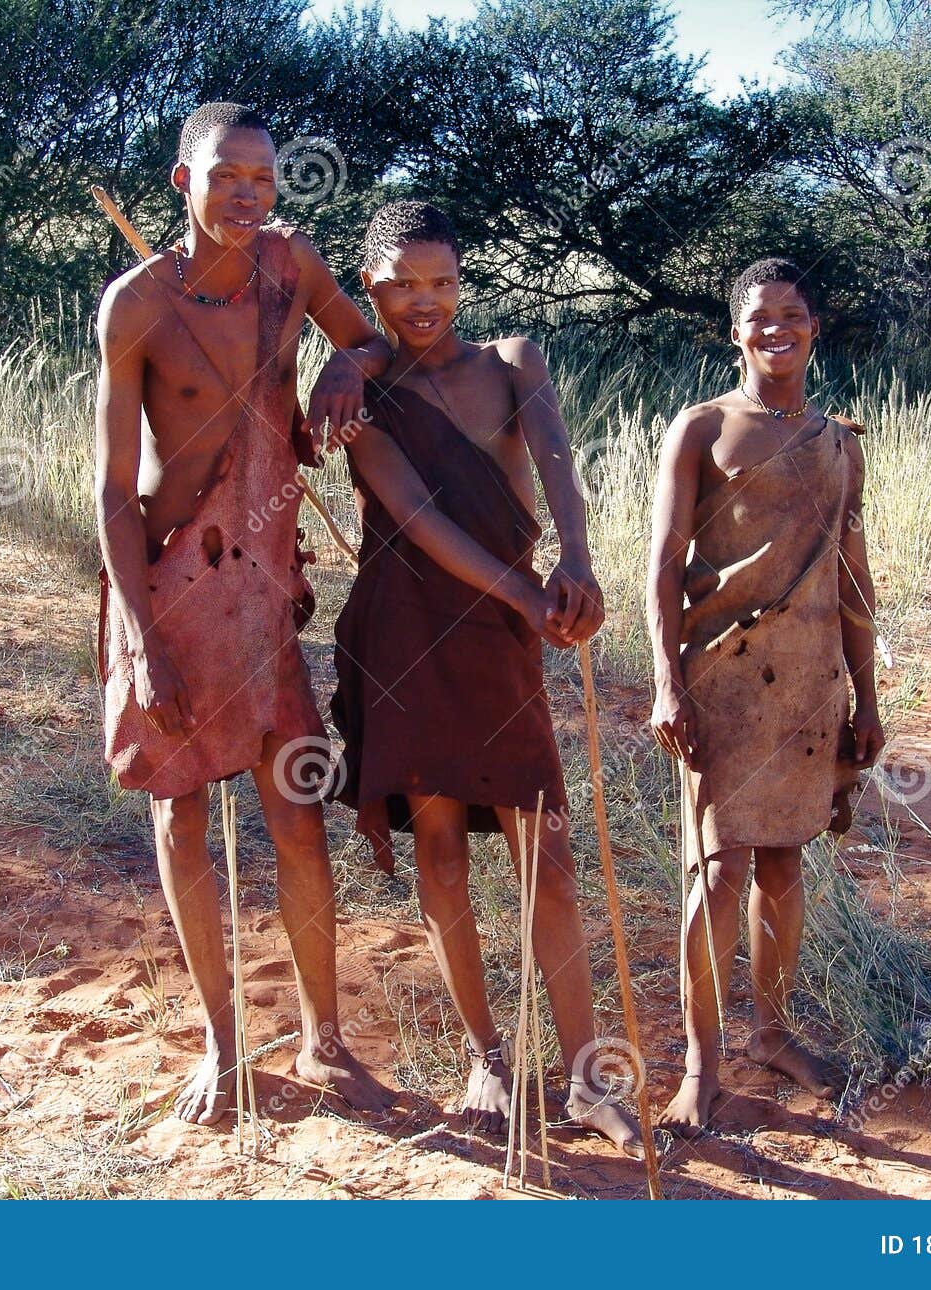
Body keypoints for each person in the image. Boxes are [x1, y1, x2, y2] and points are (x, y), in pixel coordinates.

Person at [95, 101, 393, 1124]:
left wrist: (339, 373)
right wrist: (139, 646)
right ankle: (223, 1046)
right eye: (226, 176)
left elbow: (368, 347)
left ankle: (323, 1037)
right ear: (183, 182)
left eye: (263, 178)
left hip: (260, 586)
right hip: (173, 585)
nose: (247, 195)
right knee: (181, 816)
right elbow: (107, 491)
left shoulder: (290, 267)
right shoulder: (133, 304)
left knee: (294, 804)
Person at [329, 200, 639, 1152]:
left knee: (544, 849)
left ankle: (587, 1075)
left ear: (464, 282)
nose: (424, 302)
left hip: (505, 637)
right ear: (369, 287)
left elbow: (556, 465)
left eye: (442, 283)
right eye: (400, 285)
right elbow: (418, 516)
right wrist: (527, 594)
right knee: (440, 847)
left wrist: (576, 562)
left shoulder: (515, 363)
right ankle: (486, 1057)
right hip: (410, 632)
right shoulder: (363, 400)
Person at [645, 257, 885, 1134]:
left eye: (793, 312)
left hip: (811, 686)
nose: (776, 327)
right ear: (734, 330)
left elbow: (853, 579)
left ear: (814, 327)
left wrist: (866, 697)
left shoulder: (841, 442)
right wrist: (670, 684)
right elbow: (662, 568)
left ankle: (773, 1034)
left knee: (785, 862)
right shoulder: (701, 429)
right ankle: (701, 1068)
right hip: (723, 683)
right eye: (759, 315)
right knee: (715, 871)